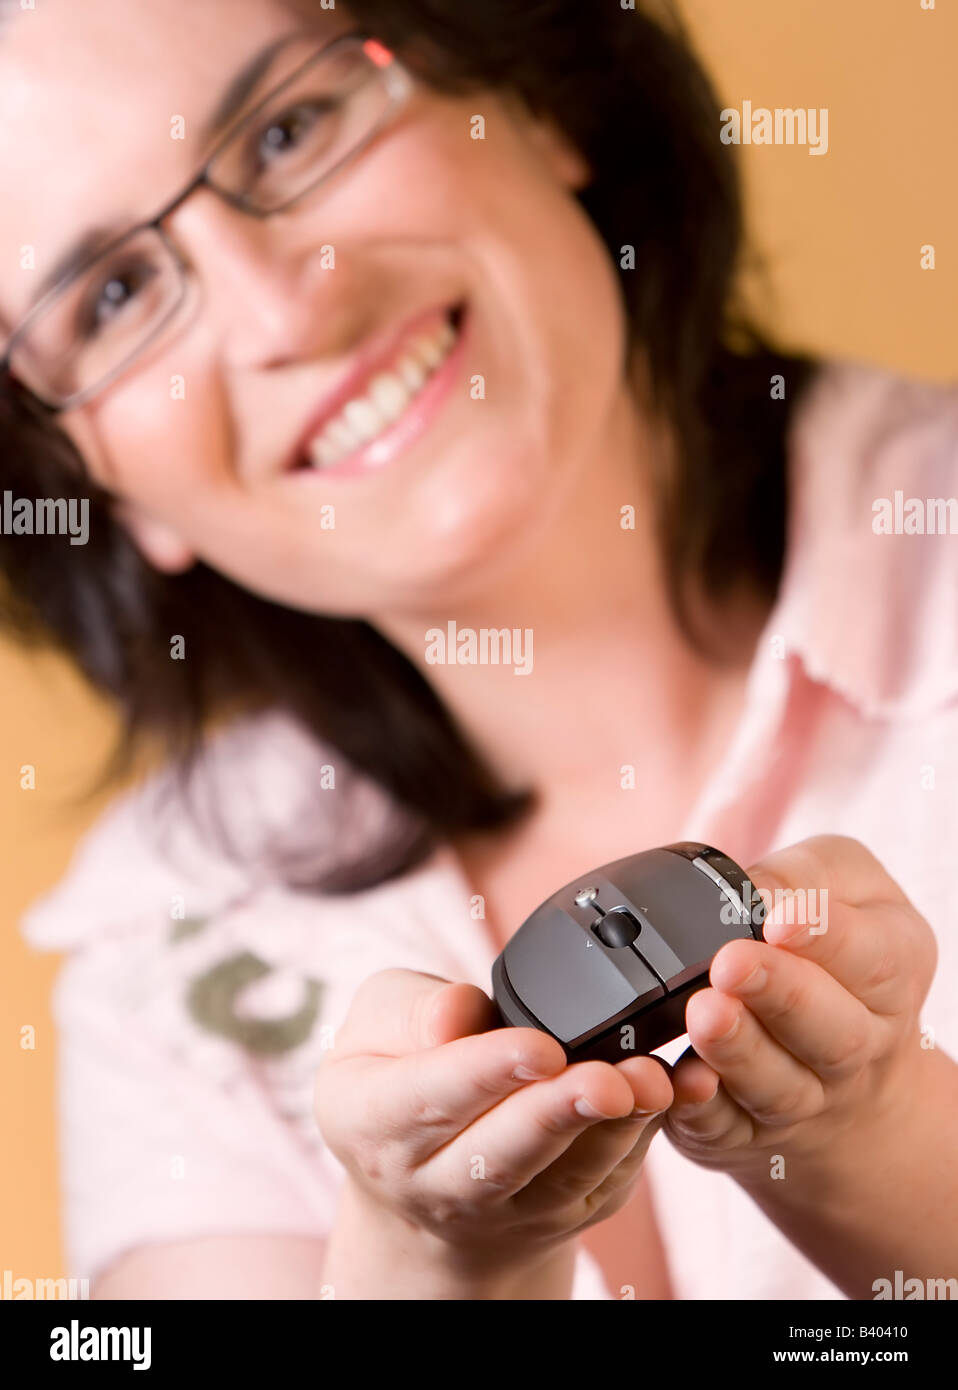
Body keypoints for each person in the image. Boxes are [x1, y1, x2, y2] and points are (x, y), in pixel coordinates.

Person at [3, 0, 956, 1301]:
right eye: (109, 296)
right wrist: (430, 1260)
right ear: (111, 498)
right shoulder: (168, 953)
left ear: (530, 89)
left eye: (289, 127)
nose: (289, 307)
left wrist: (880, 1143)